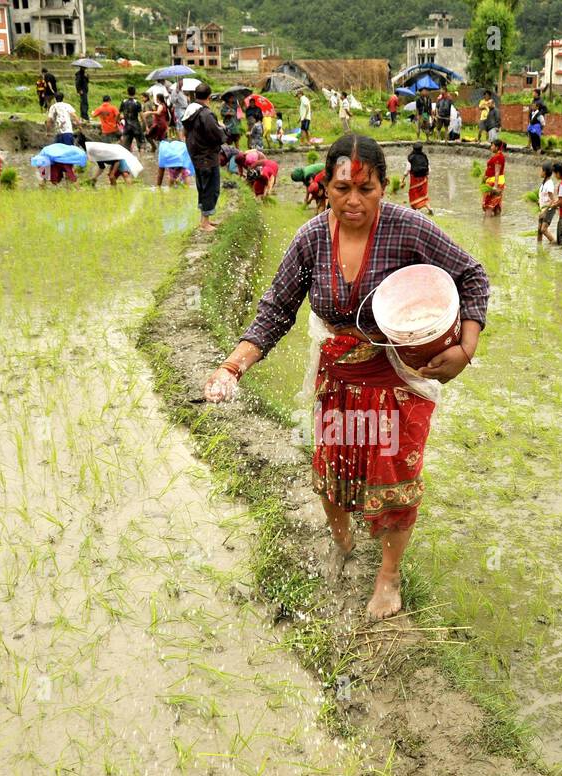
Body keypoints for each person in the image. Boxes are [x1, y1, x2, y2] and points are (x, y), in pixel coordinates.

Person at [203, 134, 490, 621]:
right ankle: (343, 539)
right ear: (326, 188)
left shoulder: (408, 229)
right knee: (333, 473)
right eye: (342, 188)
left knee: (395, 476)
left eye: (366, 188)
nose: (353, 201)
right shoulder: (312, 238)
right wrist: (233, 365)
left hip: (398, 375)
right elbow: (275, 310)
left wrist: (465, 348)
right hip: (338, 377)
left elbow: (472, 276)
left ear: (384, 187)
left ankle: (389, 575)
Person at [183, 83, 227, 232]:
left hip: (196, 155)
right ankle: (205, 223)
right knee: (210, 188)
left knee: (203, 186)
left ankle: (204, 219)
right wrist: (222, 129)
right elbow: (216, 135)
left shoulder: (190, 110)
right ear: (209, 96)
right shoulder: (205, 114)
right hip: (207, 156)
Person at [76, 133, 141, 187]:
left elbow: (117, 160)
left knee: (124, 174)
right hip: (115, 161)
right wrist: (94, 178)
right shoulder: (96, 154)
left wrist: (113, 173)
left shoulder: (99, 151)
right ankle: (115, 193)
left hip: (120, 157)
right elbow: (102, 167)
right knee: (112, 178)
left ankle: (130, 191)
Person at [403, 143, 432, 215]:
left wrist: (403, 178)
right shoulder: (424, 156)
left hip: (415, 179)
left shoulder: (410, 157)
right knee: (424, 195)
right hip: (424, 179)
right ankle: (429, 208)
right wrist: (426, 176)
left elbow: (408, 169)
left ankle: (415, 211)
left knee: (413, 194)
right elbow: (429, 169)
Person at [482, 139, 506, 216]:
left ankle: (487, 225)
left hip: (495, 183)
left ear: (497, 147)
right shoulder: (498, 156)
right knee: (496, 205)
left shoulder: (498, 157)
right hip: (495, 181)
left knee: (489, 205)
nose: (491, 147)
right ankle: (496, 224)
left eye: (492, 146)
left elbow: (497, 172)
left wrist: (495, 186)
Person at [537, 163, 559, 243]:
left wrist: (544, 211)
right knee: (539, 231)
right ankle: (539, 249)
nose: (540, 172)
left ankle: (554, 243)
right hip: (543, 209)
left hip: (549, 210)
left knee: (543, 229)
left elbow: (553, 200)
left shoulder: (549, 184)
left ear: (545, 172)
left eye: (541, 170)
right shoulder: (544, 183)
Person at [120, 86, 145, 153]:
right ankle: (142, 161)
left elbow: (118, 114)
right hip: (136, 126)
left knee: (126, 148)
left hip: (127, 127)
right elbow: (142, 116)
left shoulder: (123, 102)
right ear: (135, 93)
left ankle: (127, 162)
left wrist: (117, 121)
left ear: (127, 92)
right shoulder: (137, 103)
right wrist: (146, 126)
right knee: (141, 146)